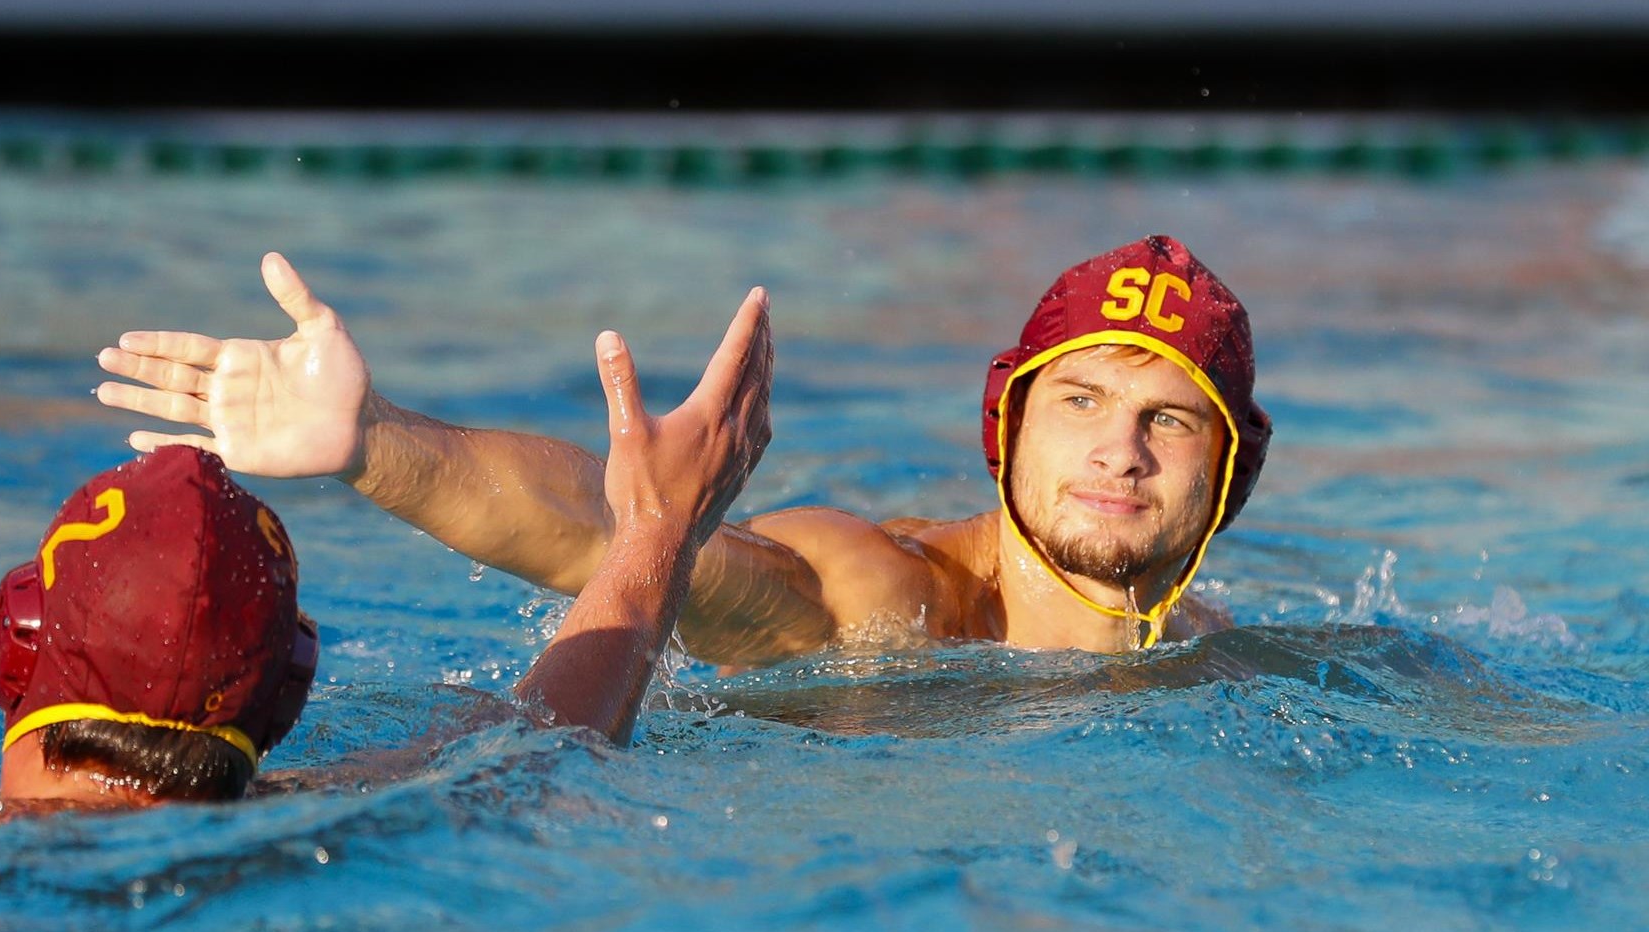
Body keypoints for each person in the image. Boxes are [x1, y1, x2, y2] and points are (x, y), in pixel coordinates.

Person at [96, 235, 1268, 672]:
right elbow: (647, 544)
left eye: (1168, 419)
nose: (1119, 450)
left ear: (1230, 474)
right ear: (1007, 426)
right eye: (1080, 401)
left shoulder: (1218, 653)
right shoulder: (890, 602)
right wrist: (375, 445)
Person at [0, 291, 773, 834]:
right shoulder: (330, 818)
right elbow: (547, 732)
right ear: (291, 689)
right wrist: (661, 528)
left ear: (14, 643)